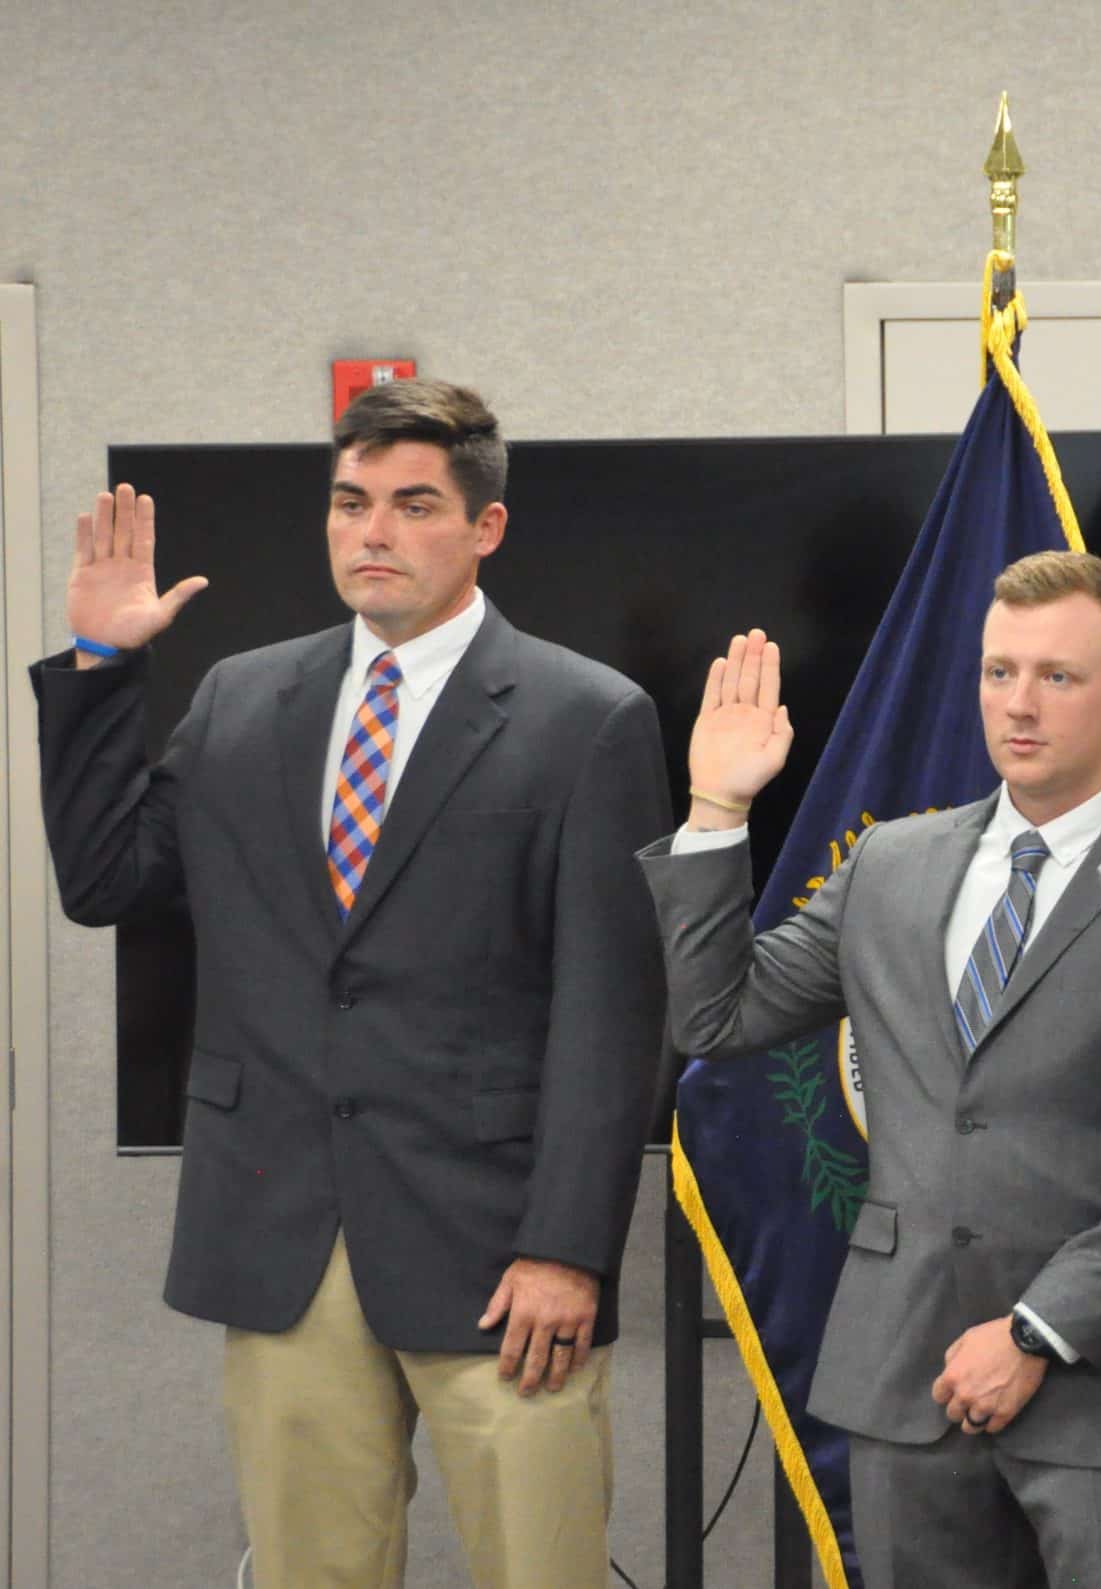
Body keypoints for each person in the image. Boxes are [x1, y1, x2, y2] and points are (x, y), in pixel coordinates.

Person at [33, 379, 671, 1589]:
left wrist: (568, 1246)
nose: (370, 531)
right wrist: (103, 664)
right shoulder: (241, 695)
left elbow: (613, 1009)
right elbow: (106, 879)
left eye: (412, 503)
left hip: (500, 1252)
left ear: (483, 526)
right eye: (349, 501)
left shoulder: (586, 716)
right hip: (283, 1227)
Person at [638, 551, 1101, 1589]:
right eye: (997, 672)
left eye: (1055, 677)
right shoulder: (892, 861)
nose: (1017, 704)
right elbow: (720, 1010)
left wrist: (1039, 1328)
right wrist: (716, 809)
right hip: (906, 1380)